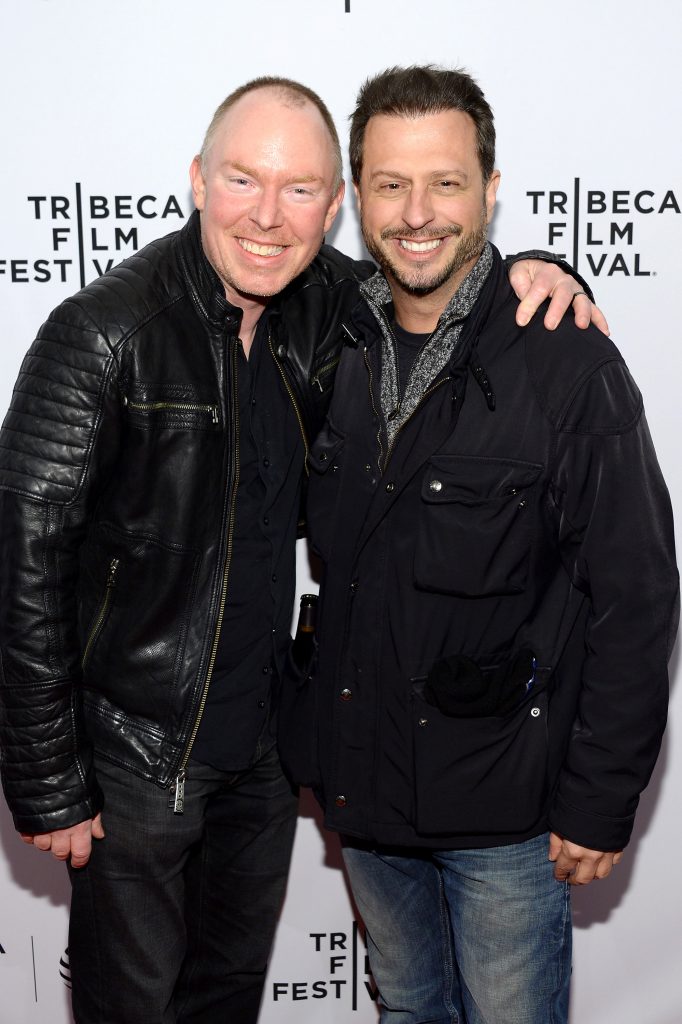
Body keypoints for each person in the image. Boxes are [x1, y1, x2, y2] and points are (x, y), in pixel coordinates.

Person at [0, 75, 601, 1024]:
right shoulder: (104, 334)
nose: (269, 217)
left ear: (333, 207)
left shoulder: (324, 306)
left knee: (227, 998)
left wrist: (541, 268)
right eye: (245, 180)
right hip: (135, 756)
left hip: (264, 754)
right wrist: (48, 780)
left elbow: (442, 274)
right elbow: (23, 570)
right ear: (199, 179)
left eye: (300, 189)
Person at [279, 66, 679, 1024]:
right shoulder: (330, 337)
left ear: (491, 191)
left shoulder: (565, 361)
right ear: (357, 196)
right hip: (365, 795)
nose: (418, 213)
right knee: (409, 1011)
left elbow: (637, 598)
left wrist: (599, 801)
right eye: (391, 184)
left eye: (446, 183)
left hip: (507, 816)